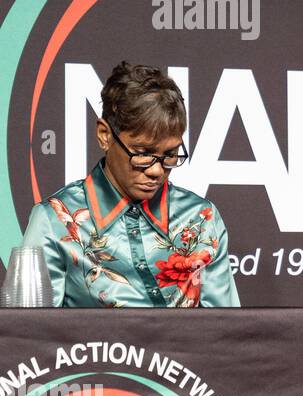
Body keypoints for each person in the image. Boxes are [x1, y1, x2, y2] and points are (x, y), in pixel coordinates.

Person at [21, 62, 239, 308]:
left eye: (170, 154)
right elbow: (31, 335)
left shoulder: (202, 219)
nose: (157, 170)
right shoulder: (54, 222)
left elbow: (226, 334)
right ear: (105, 135)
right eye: (142, 153)